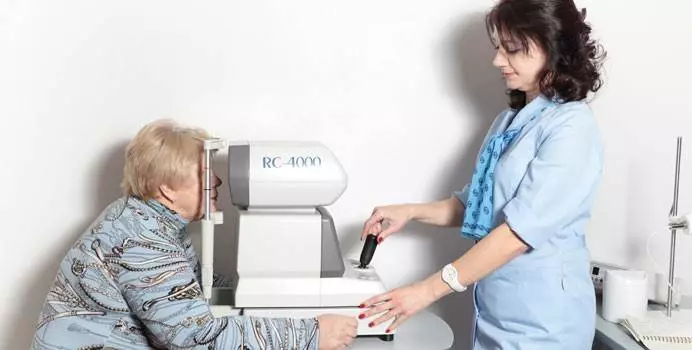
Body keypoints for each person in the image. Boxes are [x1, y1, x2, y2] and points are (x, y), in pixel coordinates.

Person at [357, 0, 606, 349]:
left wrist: (424, 292)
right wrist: (408, 212)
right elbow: (476, 205)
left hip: (545, 324)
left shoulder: (572, 128)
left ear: (553, 47)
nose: (497, 61)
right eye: (498, 48)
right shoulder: (507, 123)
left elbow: (518, 233)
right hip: (496, 315)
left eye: (512, 49)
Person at [31, 119, 358, 350]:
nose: (215, 182)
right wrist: (311, 334)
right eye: (204, 173)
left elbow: (185, 294)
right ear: (167, 188)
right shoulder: (138, 239)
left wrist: (258, 294)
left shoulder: (151, 222)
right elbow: (196, 339)